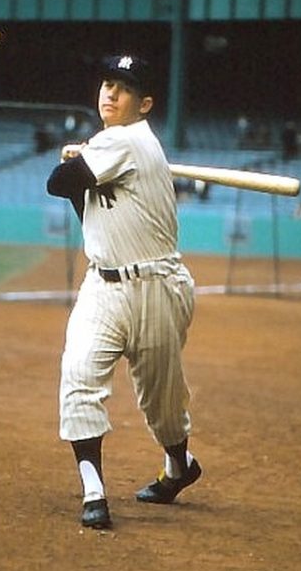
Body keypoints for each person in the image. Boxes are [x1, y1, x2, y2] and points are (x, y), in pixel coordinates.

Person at [46, 53, 201, 530]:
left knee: (163, 405)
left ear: (145, 104)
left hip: (156, 284)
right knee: (79, 374)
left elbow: (56, 181)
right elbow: (82, 206)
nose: (110, 93)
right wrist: (83, 161)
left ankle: (180, 466)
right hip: (103, 285)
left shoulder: (126, 141)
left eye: (124, 88)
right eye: (107, 84)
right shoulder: (114, 147)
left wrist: (77, 158)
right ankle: (94, 491)